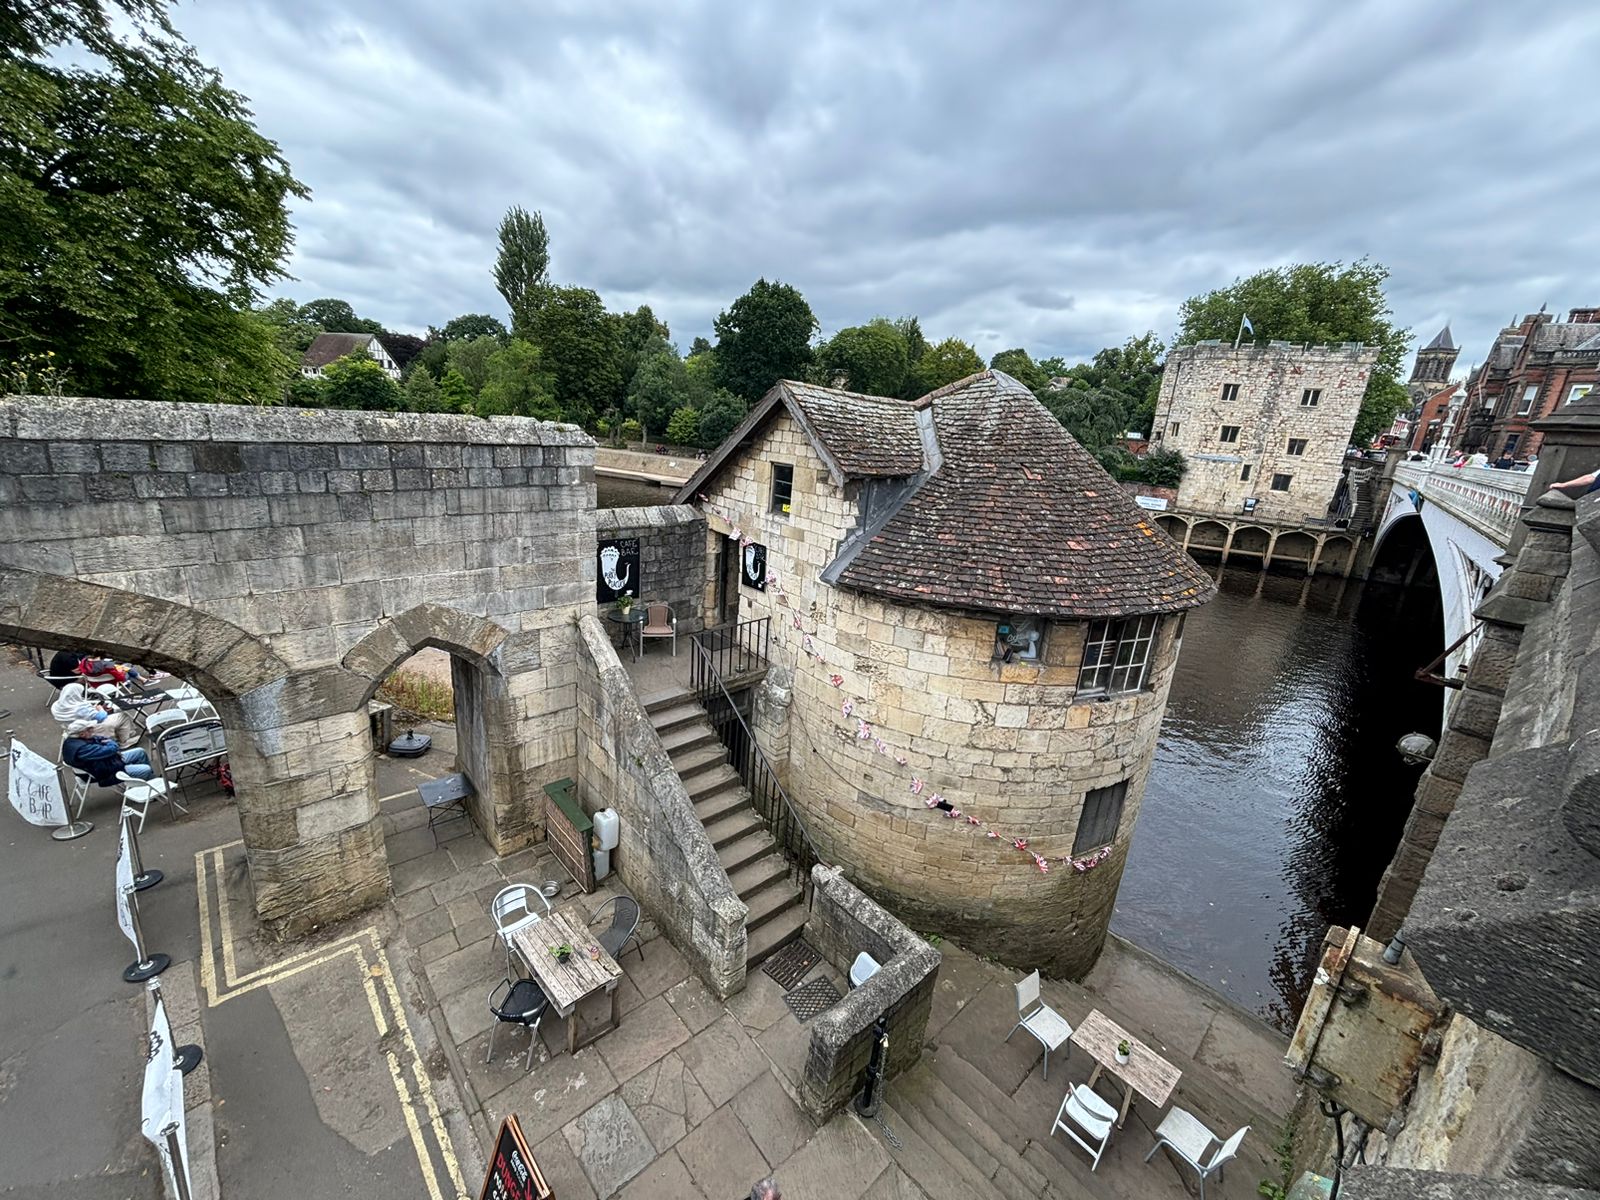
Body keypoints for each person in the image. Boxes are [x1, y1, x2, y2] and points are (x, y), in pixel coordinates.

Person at [61, 720, 155, 786]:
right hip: (106, 771)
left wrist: (108, 743)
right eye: (89, 729)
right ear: (82, 734)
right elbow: (112, 749)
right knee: (146, 769)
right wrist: (111, 743)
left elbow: (100, 739)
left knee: (140, 752)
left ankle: (148, 781)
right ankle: (149, 788)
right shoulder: (83, 749)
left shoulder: (74, 740)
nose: (93, 730)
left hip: (107, 762)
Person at [50, 682, 142, 749]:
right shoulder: (80, 707)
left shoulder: (56, 706)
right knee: (122, 715)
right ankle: (124, 741)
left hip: (70, 729)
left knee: (113, 717)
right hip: (89, 728)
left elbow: (85, 714)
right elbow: (101, 717)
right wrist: (100, 709)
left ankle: (124, 734)